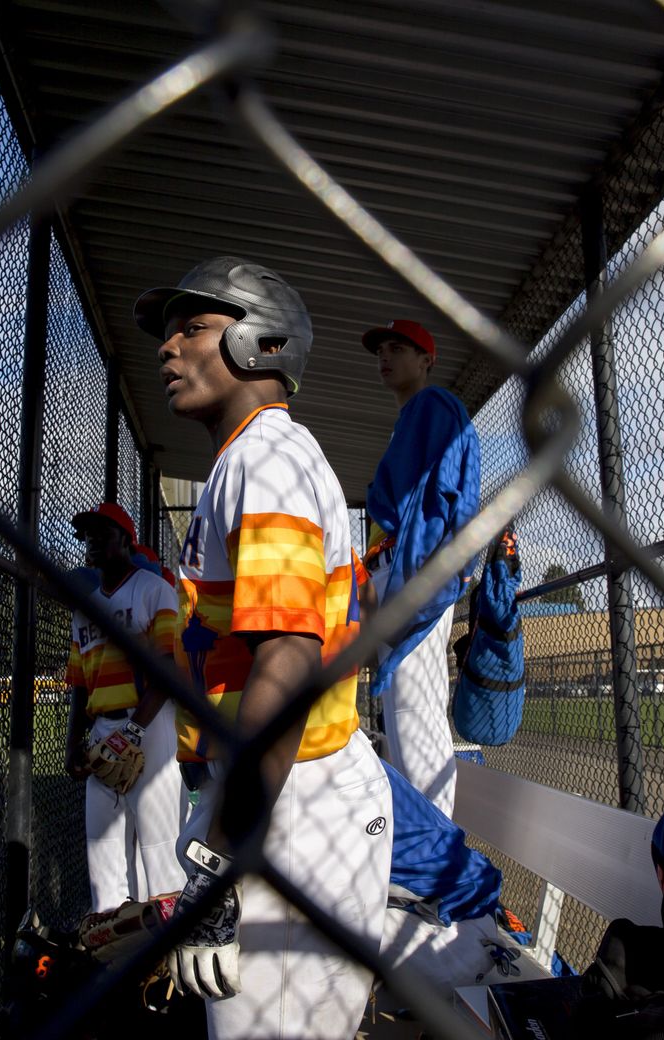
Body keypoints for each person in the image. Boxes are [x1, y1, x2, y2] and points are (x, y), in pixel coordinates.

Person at [134, 257, 393, 1040]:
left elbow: (288, 656)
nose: (166, 348)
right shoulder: (245, 459)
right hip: (280, 794)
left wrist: (218, 860)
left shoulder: (265, 457)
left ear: (260, 343)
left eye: (194, 327)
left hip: (294, 804)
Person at [361, 319, 480, 819]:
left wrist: (424, 582)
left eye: (399, 347)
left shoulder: (433, 406)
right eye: (382, 349)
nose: (386, 355)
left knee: (415, 720)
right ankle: (425, 861)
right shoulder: (410, 418)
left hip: (411, 576)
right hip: (397, 575)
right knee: (405, 718)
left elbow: (449, 505)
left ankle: (434, 872)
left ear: (427, 359)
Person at [64, 501, 190, 913]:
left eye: (102, 533)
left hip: (149, 727)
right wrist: (74, 742)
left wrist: (134, 732)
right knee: (102, 853)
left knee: (158, 848)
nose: (92, 541)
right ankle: (113, 952)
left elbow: (167, 672)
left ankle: (169, 960)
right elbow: (80, 684)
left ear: (126, 540)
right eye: (87, 535)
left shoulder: (154, 591)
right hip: (103, 731)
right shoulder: (84, 609)